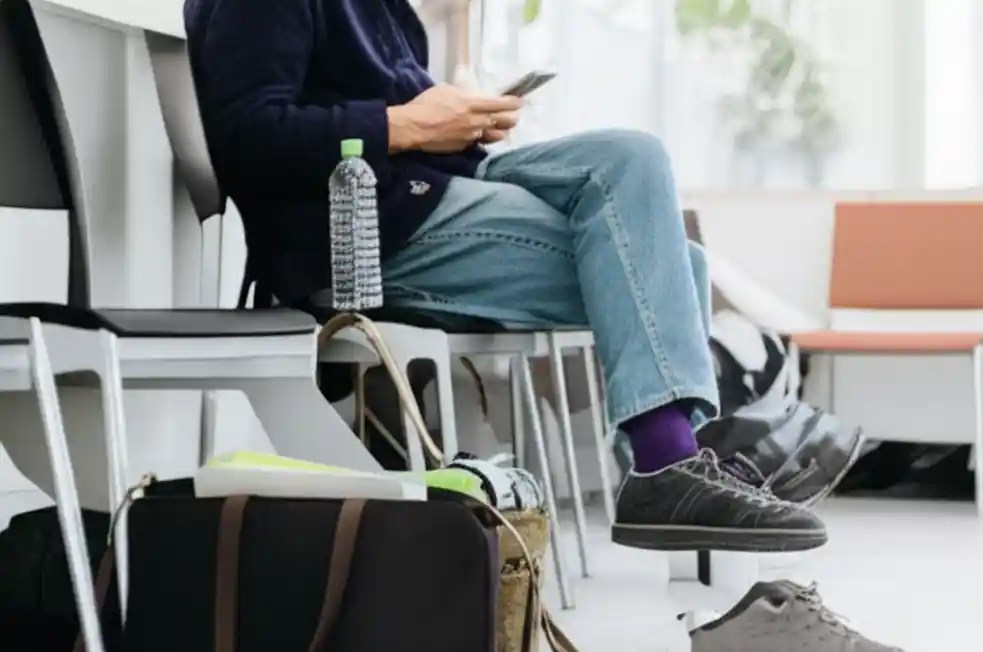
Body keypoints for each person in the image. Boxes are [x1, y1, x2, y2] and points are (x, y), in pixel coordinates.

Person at [184, 0, 825, 552]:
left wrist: (459, 121)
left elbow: (402, 117)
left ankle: (672, 463)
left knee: (636, 161)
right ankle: (669, 462)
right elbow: (247, 138)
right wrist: (407, 124)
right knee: (673, 267)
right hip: (372, 227)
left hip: (439, 183)